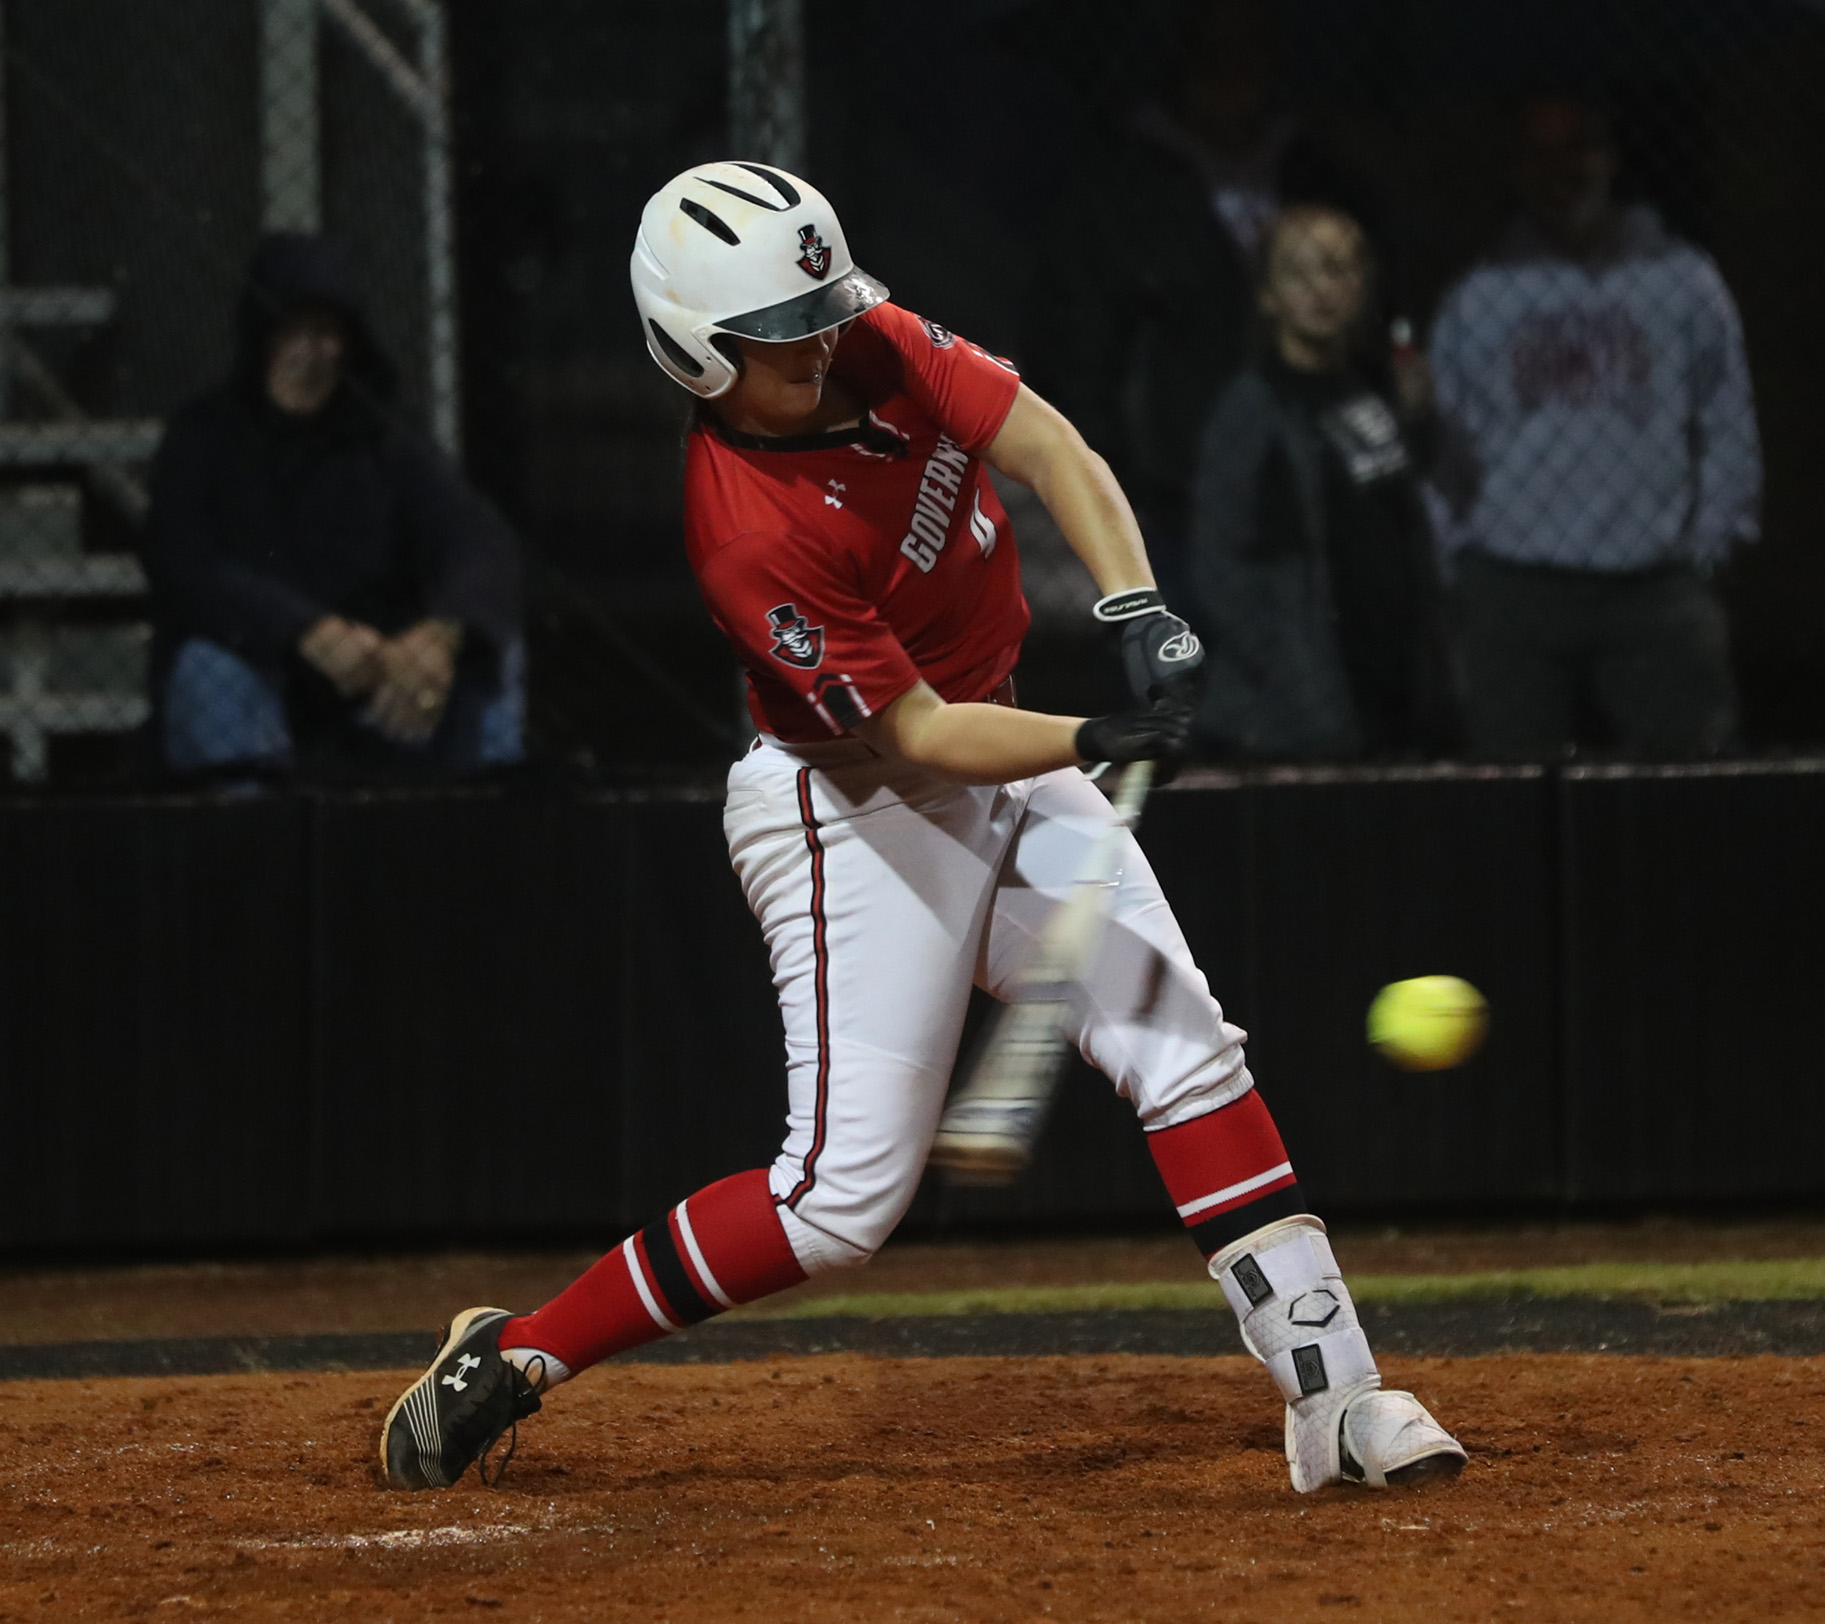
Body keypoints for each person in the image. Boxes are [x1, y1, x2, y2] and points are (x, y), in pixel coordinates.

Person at [377, 162, 1466, 1498]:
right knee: (838, 1207)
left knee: (1182, 1042)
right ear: (694, 359)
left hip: (998, 745)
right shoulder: (744, 531)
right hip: (854, 809)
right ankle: (520, 1355)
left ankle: (1337, 1400)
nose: (824, 346)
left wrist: (1135, 611)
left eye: (824, 313)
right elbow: (921, 738)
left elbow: (1047, 443)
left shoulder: (870, 340)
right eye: (782, 343)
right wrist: (1093, 741)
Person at [1426, 97, 1762, 757]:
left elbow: (1726, 422)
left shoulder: (1680, 280)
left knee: (1687, 783)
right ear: (1518, 171)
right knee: (1513, 791)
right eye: (1541, 154)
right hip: (1512, 574)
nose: (1562, 170)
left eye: (1577, 148)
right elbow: (1446, 446)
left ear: (1609, 158)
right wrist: (1458, 562)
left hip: (1652, 575)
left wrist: (1709, 545)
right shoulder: (1481, 295)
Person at [1027, 0, 1374, 616]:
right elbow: (1080, 337)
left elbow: (1367, 304)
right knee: (1185, 662)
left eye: (1247, 51)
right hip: (1171, 482)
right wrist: (1107, 470)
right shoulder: (1127, 181)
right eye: (1215, 52)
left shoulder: (1308, 168)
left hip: (1303, 462)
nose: (1232, 72)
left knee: (1300, 647)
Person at [142, 234, 523, 778]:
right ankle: (247, 850)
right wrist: (304, 631)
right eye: (290, 332)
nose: (309, 353)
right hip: (262, 669)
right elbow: (184, 561)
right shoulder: (204, 438)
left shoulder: (383, 440)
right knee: (207, 673)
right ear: (260, 340)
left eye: (324, 333)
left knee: (490, 658)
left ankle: (482, 836)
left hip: (376, 682)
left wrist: (439, 637)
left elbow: (475, 537)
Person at [1191, 205, 1452, 758]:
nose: (1321, 289)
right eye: (1299, 273)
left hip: (1386, 684)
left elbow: (1394, 515)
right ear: (1268, 295)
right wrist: (1291, 670)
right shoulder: (1250, 409)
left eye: (1338, 269)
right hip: (1301, 704)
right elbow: (1218, 562)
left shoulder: (1365, 393)